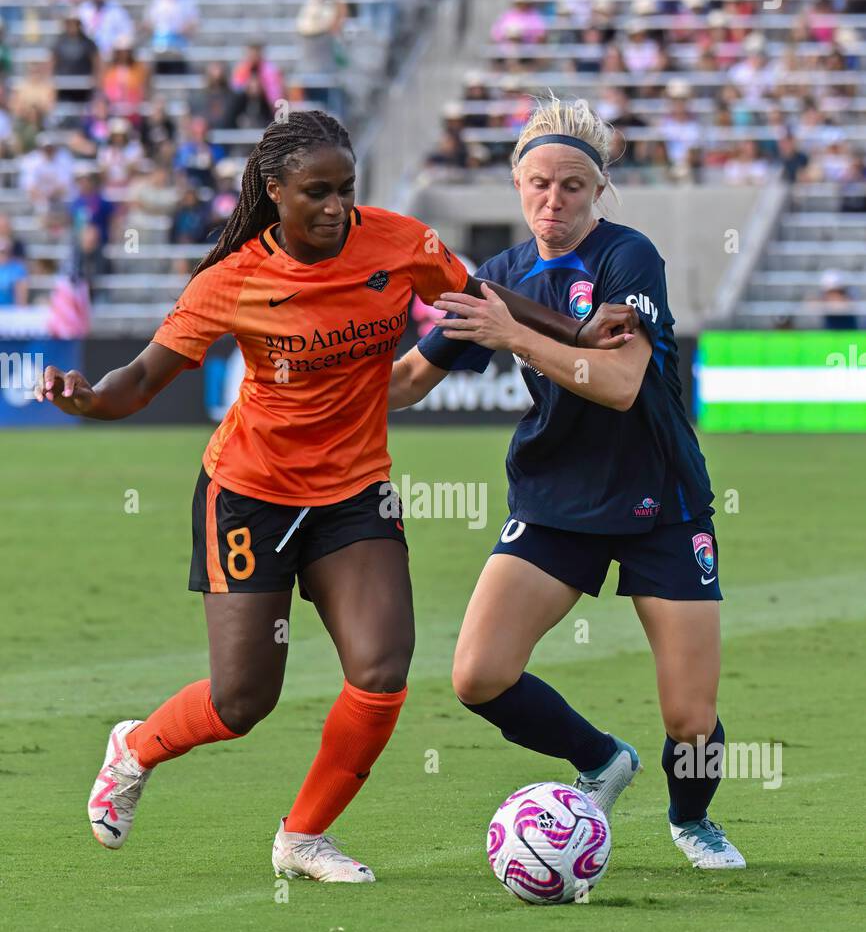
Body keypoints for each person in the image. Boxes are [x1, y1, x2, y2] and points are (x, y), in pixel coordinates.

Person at [34, 110, 630, 884]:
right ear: (273, 191)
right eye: (316, 192)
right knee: (242, 701)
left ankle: (303, 837)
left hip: (354, 495)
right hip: (249, 496)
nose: (335, 207)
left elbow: (484, 298)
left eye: (346, 189)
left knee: (382, 670)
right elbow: (142, 378)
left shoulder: (399, 242)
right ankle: (136, 747)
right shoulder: (233, 280)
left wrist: (579, 335)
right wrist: (90, 398)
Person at [389, 96, 746, 872]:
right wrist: (309, 379)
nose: (554, 201)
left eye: (573, 186)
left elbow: (620, 383)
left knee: (690, 718)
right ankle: (601, 759)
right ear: (517, 186)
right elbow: (411, 381)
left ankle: (693, 821)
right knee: (479, 675)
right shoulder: (501, 275)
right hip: (557, 498)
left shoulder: (628, 257)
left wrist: (513, 333)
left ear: (599, 190)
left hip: (662, 501)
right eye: (539, 184)